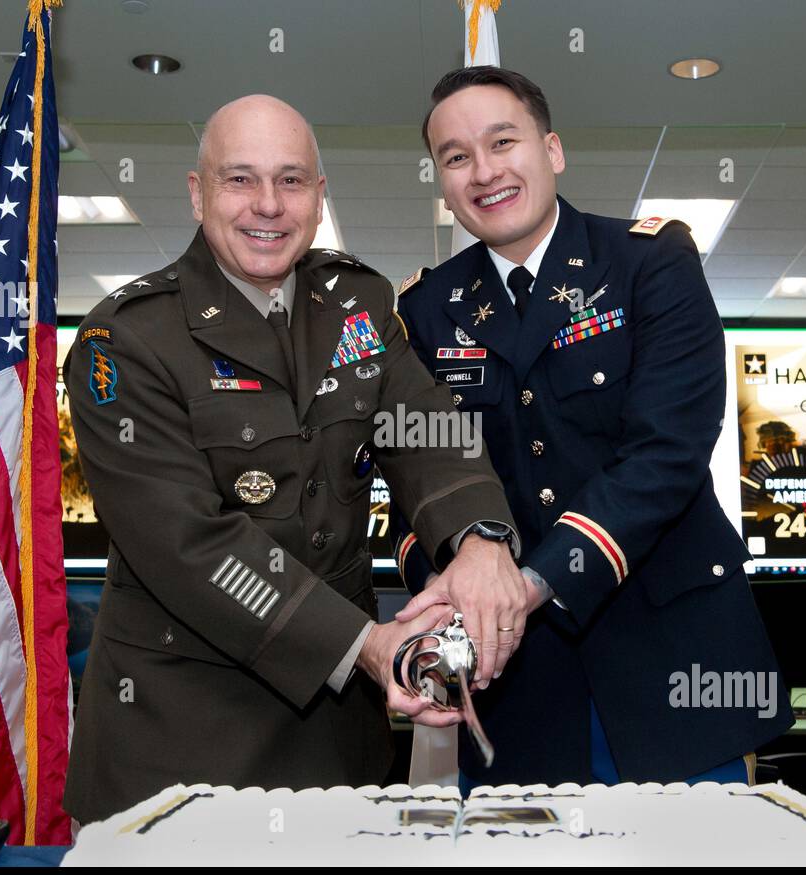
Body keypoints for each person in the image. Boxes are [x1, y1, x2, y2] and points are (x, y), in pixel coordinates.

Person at [62, 95, 528, 824]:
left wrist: (480, 542)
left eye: (291, 180)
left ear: (319, 195)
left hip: (337, 743)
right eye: (240, 180)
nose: (268, 206)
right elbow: (190, 547)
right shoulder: (124, 341)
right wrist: (367, 645)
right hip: (182, 743)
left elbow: (426, 428)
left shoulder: (360, 305)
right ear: (198, 193)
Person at [393, 67, 792, 789]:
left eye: (502, 142)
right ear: (442, 181)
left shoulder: (649, 262)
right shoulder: (425, 309)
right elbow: (413, 485)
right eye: (455, 157)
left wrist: (532, 583)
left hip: (672, 662)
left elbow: (665, 457)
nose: (483, 172)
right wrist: (450, 583)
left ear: (552, 149)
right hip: (513, 681)